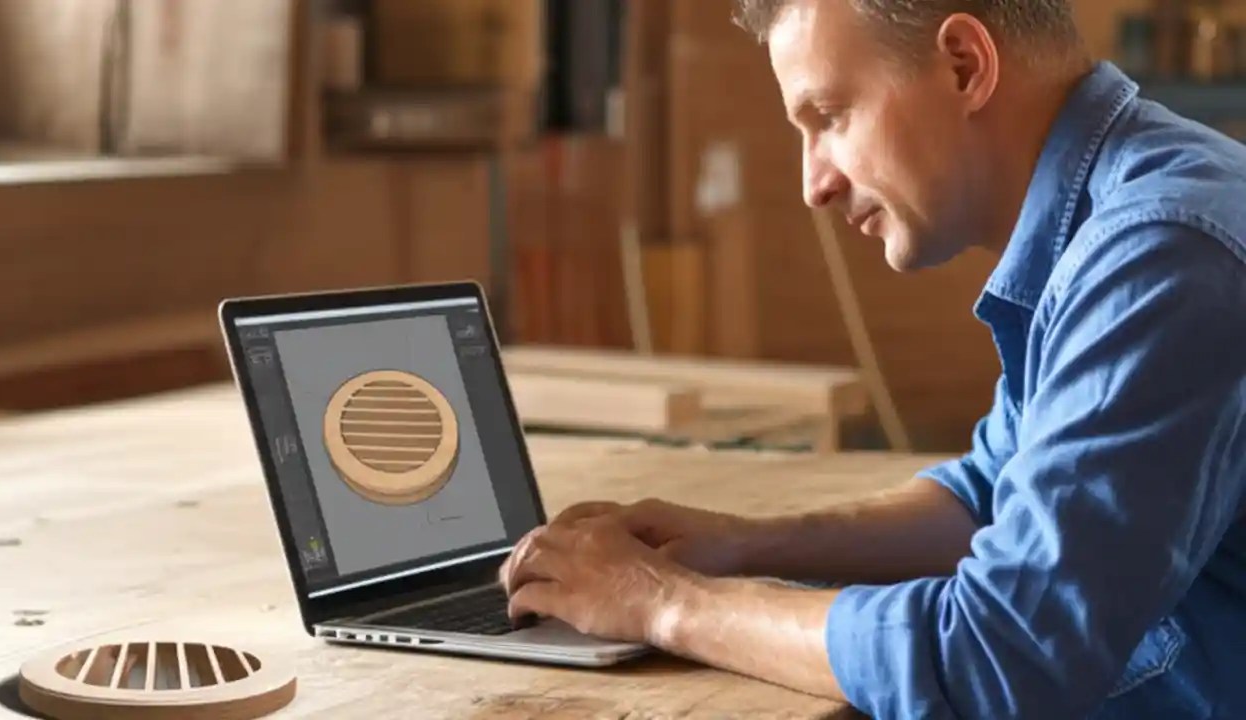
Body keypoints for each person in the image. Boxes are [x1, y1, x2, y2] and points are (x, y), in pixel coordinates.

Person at [500, 0, 1246, 717]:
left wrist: (664, 603)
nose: (813, 183)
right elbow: (987, 498)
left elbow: (998, 656)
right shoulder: (1118, 216)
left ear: (963, 65)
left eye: (829, 118)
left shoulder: (1159, 256)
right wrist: (741, 544)